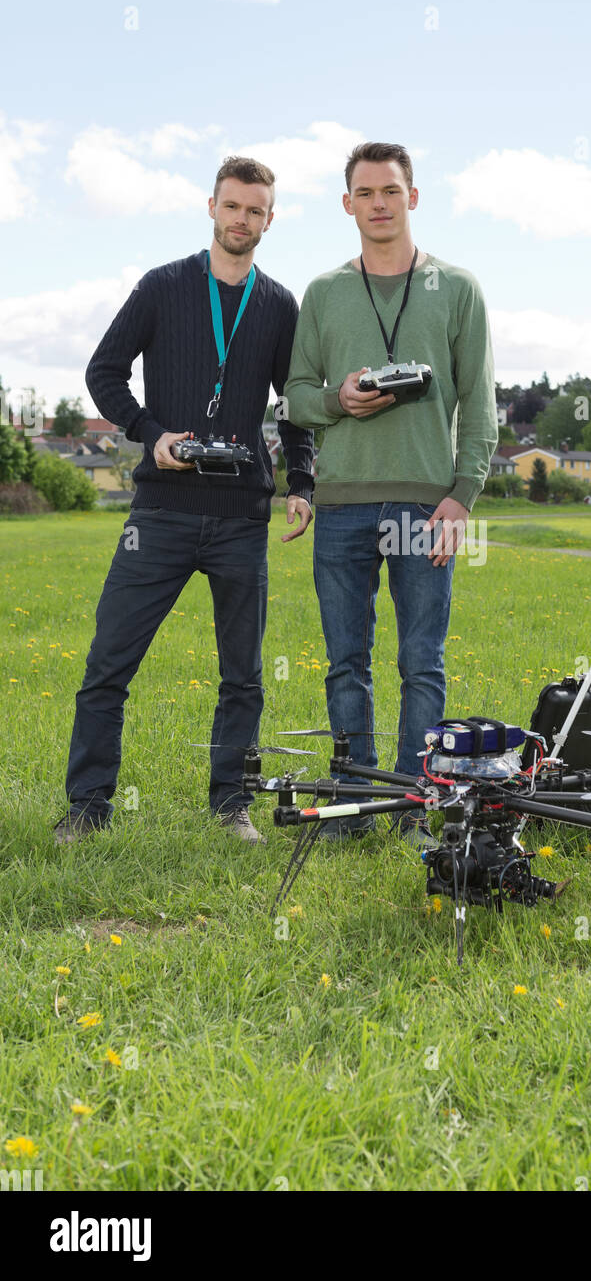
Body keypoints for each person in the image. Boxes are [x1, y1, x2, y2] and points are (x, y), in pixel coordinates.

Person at [54, 156, 314, 846]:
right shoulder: (162, 287)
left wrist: (303, 482)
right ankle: (87, 807)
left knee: (244, 677)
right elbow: (103, 371)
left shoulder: (280, 304)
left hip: (240, 518)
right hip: (160, 511)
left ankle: (231, 805)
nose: (242, 219)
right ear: (211, 207)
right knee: (108, 663)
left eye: (255, 210)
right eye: (232, 206)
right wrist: (149, 434)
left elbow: (295, 407)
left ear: (269, 218)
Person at [284, 141, 497, 847]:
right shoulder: (322, 293)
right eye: (366, 192)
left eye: (392, 191)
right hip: (342, 502)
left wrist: (462, 496)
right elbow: (296, 399)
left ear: (413, 198)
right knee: (346, 660)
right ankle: (352, 800)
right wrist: (340, 399)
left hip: (424, 506)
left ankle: (417, 802)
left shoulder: (458, 288)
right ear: (347, 204)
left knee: (421, 661)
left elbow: (480, 404)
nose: (379, 203)